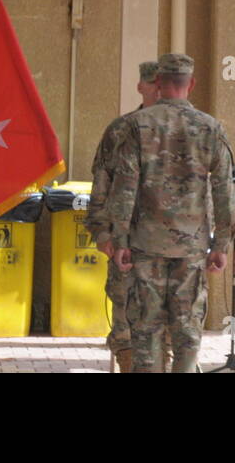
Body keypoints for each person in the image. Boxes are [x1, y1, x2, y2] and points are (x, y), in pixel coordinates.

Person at [107, 54, 235, 374]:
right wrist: (221, 244)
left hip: (145, 246)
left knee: (146, 330)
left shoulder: (137, 125)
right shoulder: (210, 127)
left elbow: (124, 187)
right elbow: (224, 191)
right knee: (187, 329)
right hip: (191, 250)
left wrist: (119, 239)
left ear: (160, 83)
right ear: (190, 84)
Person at [84, 60, 164, 373]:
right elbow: (101, 182)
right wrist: (101, 232)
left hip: (174, 246)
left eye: (161, 84)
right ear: (140, 86)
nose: (155, 90)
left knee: (168, 326)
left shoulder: (190, 127)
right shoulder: (120, 129)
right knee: (125, 325)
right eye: (150, 83)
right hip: (127, 243)